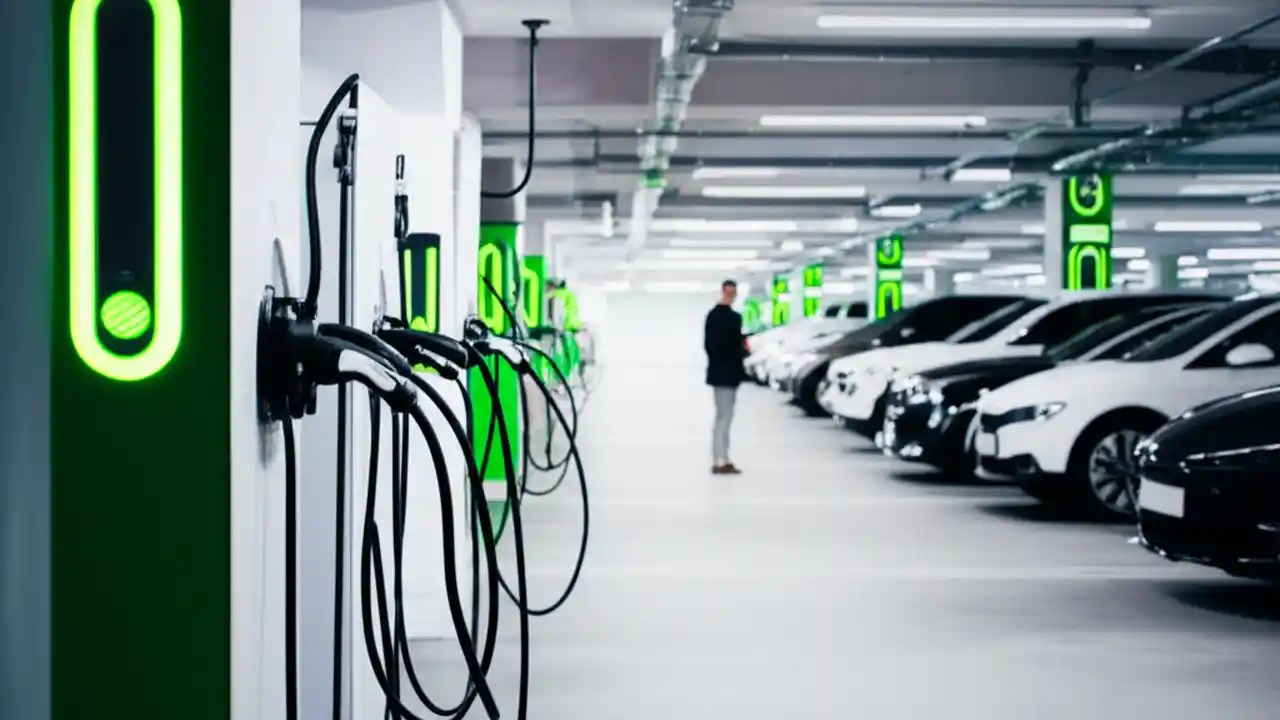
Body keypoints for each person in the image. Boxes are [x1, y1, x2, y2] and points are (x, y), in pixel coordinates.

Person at [704, 279, 748, 475]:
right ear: (722, 293)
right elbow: (711, 346)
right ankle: (719, 459)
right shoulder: (715, 317)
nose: (731, 296)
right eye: (728, 293)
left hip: (729, 374)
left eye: (733, 293)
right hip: (723, 373)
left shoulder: (735, 317)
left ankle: (723, 457)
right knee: (723, 417)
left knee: (726, 417)